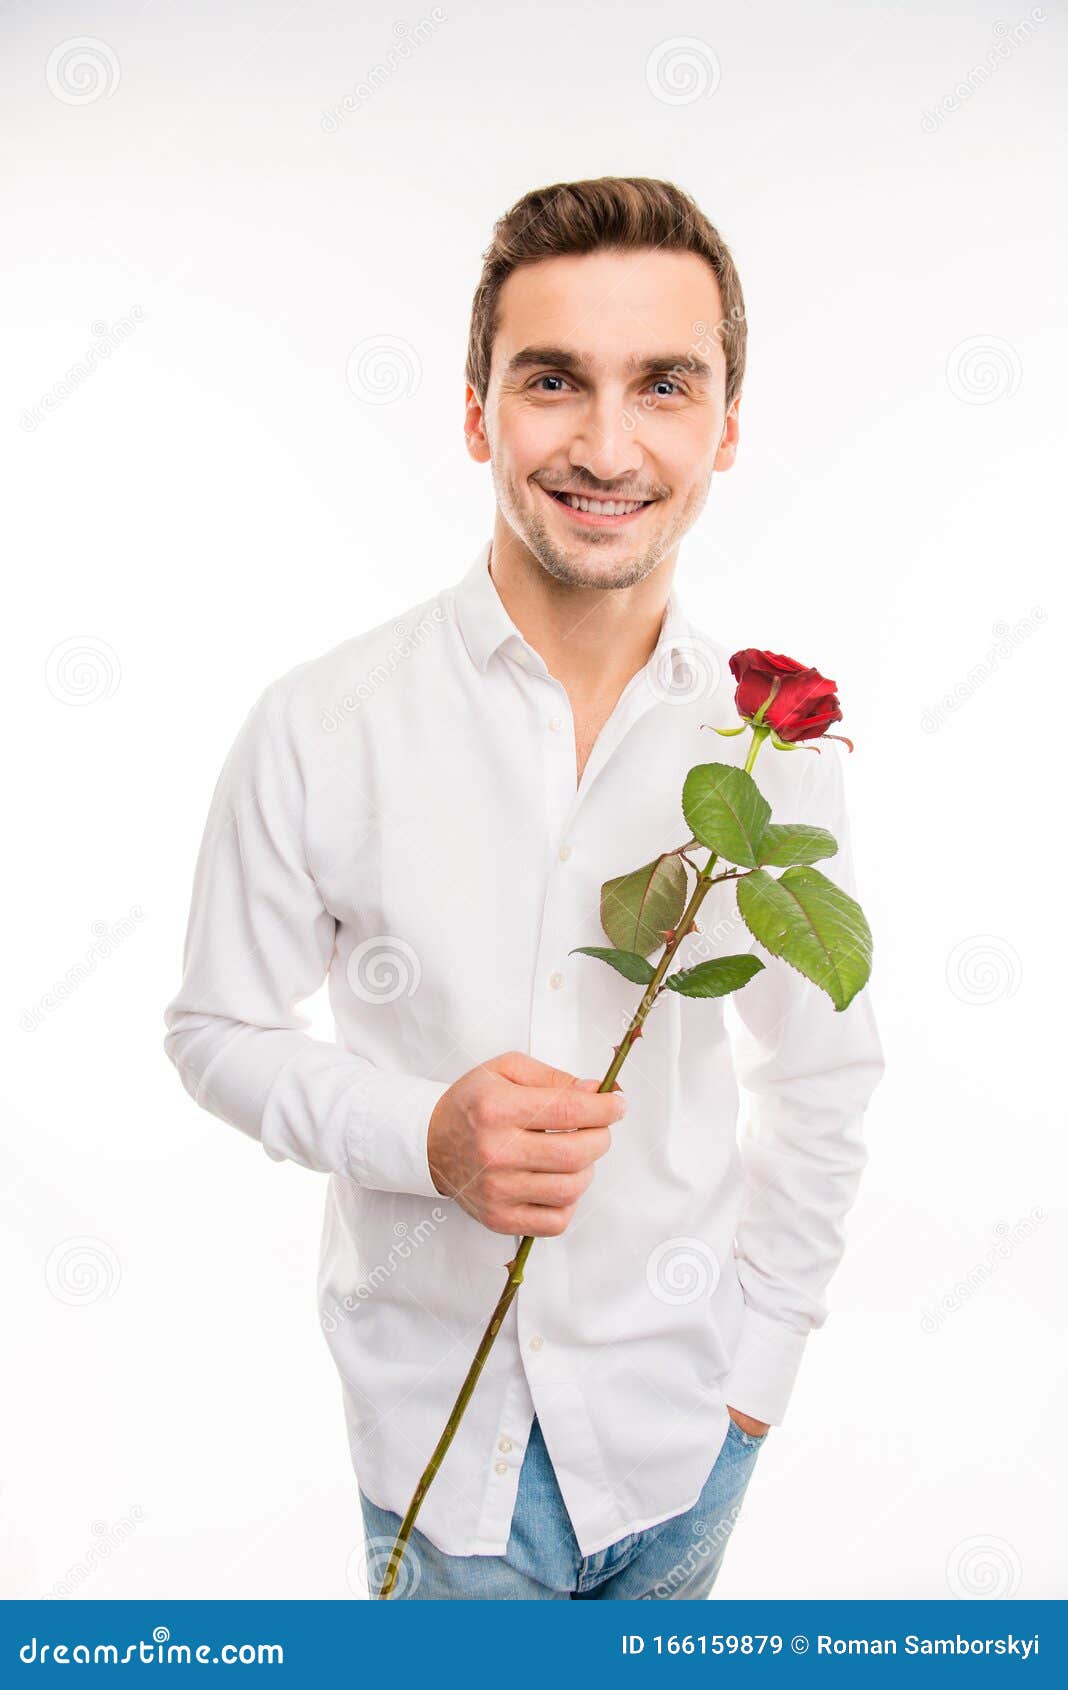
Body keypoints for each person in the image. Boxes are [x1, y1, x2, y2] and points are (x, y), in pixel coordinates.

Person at [163, 176, 885, 1600]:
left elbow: (825, 1074)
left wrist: (759, 1375)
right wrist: (418, 1130)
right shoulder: (321, 723)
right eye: (554, 380)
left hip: (686, 1443)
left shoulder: (770, 760)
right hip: (438, 1450)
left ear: (726, 426)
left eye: (664, 385)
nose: (607, 445)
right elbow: (212, 1031)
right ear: (480, 410)